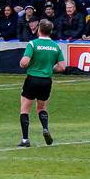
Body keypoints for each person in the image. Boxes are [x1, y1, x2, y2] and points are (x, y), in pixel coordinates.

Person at [18, 19, 66, 147]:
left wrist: (23, 63)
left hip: (32, 79)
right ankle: (45, 128)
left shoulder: (33, 44)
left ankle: (25, 139)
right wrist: (50, 68)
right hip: (46, 81)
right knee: (42, 107)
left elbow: (24, 62)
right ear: (50, 31)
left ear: (39, 29)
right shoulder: (56, 46)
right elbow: (62, 67)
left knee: (25, 108)